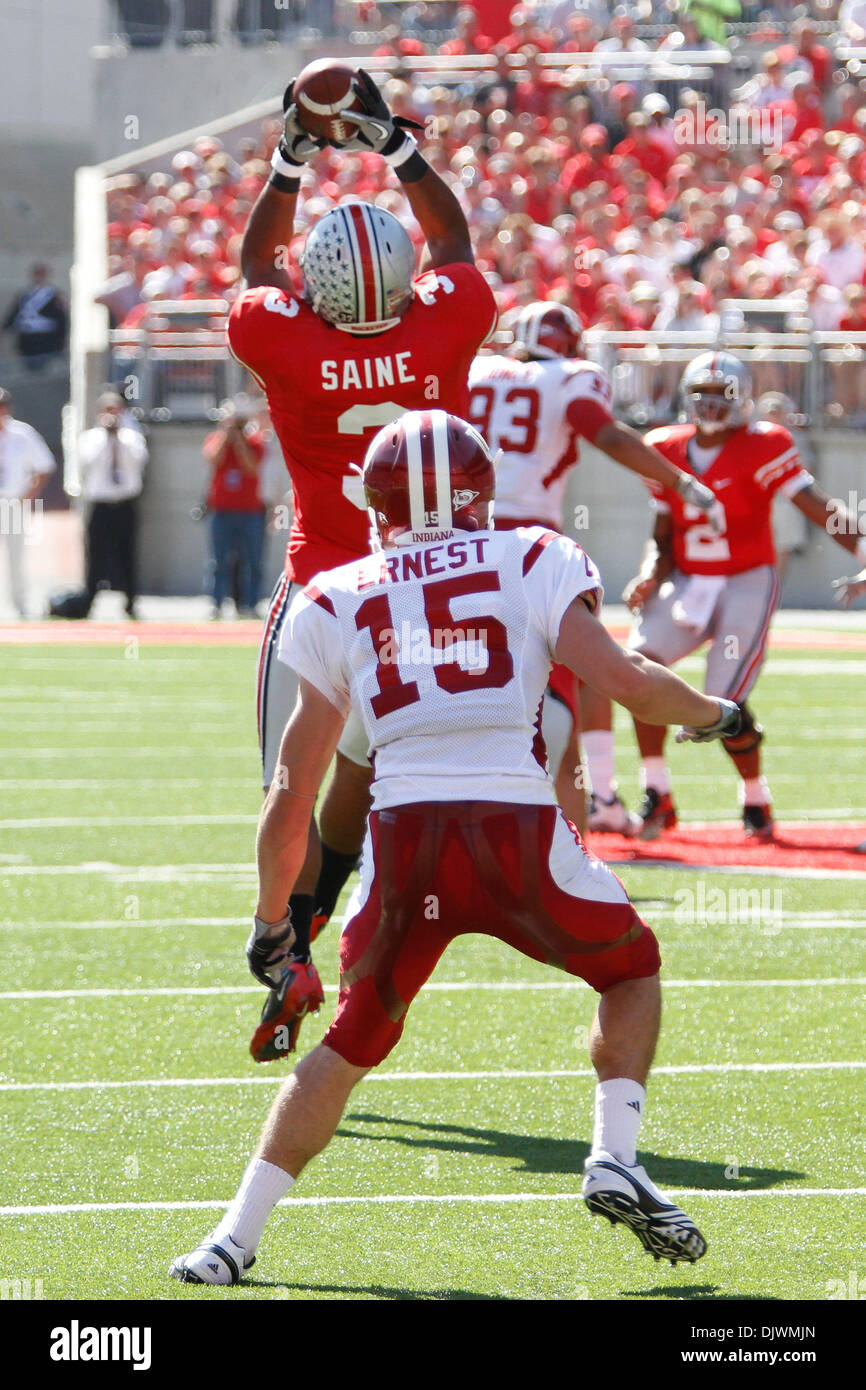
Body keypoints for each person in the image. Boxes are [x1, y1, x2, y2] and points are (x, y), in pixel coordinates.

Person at [168, 409, 742, 1286]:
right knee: (630, 972)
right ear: (481, 490)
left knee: (354, 1039)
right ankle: (614, 1155)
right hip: (516, 827)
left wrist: (273, 924)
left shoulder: (335, 593)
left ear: (376, 499)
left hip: (405, 845)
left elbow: (295, 795)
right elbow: (626, 683)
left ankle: (231, 1239)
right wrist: (720, 716)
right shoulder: (536, 555)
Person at [227, 69, 498, 1061]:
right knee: (389, 785)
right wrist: (396, 147)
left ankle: (274, 937)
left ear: (320, 287)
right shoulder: (444, 321)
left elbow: (257, 262)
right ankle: (363, 944)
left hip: (325, 587)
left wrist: (292, 157)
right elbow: (457, 246)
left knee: (289, 786)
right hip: (429, 593)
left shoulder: (283, 341)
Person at [467, 301, 724, 833]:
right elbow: (603, 433)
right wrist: (681, 482)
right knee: (584, 670)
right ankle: (595, 803)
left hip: (460, 537)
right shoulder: (572, 376)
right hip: (530, 543)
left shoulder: (478, 370)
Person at [617, 352, 866, 840]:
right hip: (688, 579)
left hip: (746, 577)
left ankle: (754, 796)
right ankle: (657, 791)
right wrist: (649, 573)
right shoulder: (664, 446)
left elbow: (815, 506)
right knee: (637, 669)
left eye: (722, 395)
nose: (710, 405)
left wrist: (862, 545)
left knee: (722, 701)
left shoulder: (765, 444)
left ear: (743, 398)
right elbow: (663, 534)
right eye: (701, 395)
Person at [77, 391, 148, 618]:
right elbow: (89, 461)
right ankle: (89, 601)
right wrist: (108, 439)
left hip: (125, 504)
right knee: (95, 555)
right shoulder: (91, 438)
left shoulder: (132, 437)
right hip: (100, 503)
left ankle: (130, 602)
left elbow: (137, 462)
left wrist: (117, 438)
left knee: (127, 553)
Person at [203, 397, 267, 618]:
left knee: (252, 560)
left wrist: (240, 440)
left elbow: (251, 467)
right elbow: (213, 459)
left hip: (250, 510)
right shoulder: (216, 439)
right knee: (219, 560)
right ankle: (217, 603)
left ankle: (250, 604)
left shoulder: (256, 441)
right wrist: (226, 436)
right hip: (222, 510)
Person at [0, 387, 56, 618]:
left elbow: (45, 466)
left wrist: (28, 495)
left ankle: (20, 606)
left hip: (13, 502)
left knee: (16, 557)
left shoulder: (22, 434)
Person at [1, 263, 67, 369]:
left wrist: (60, 344)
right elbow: (14, 314)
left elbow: (61, 320)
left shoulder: (53, 296)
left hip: (46, 341)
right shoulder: (25, 295)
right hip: (27, 340)